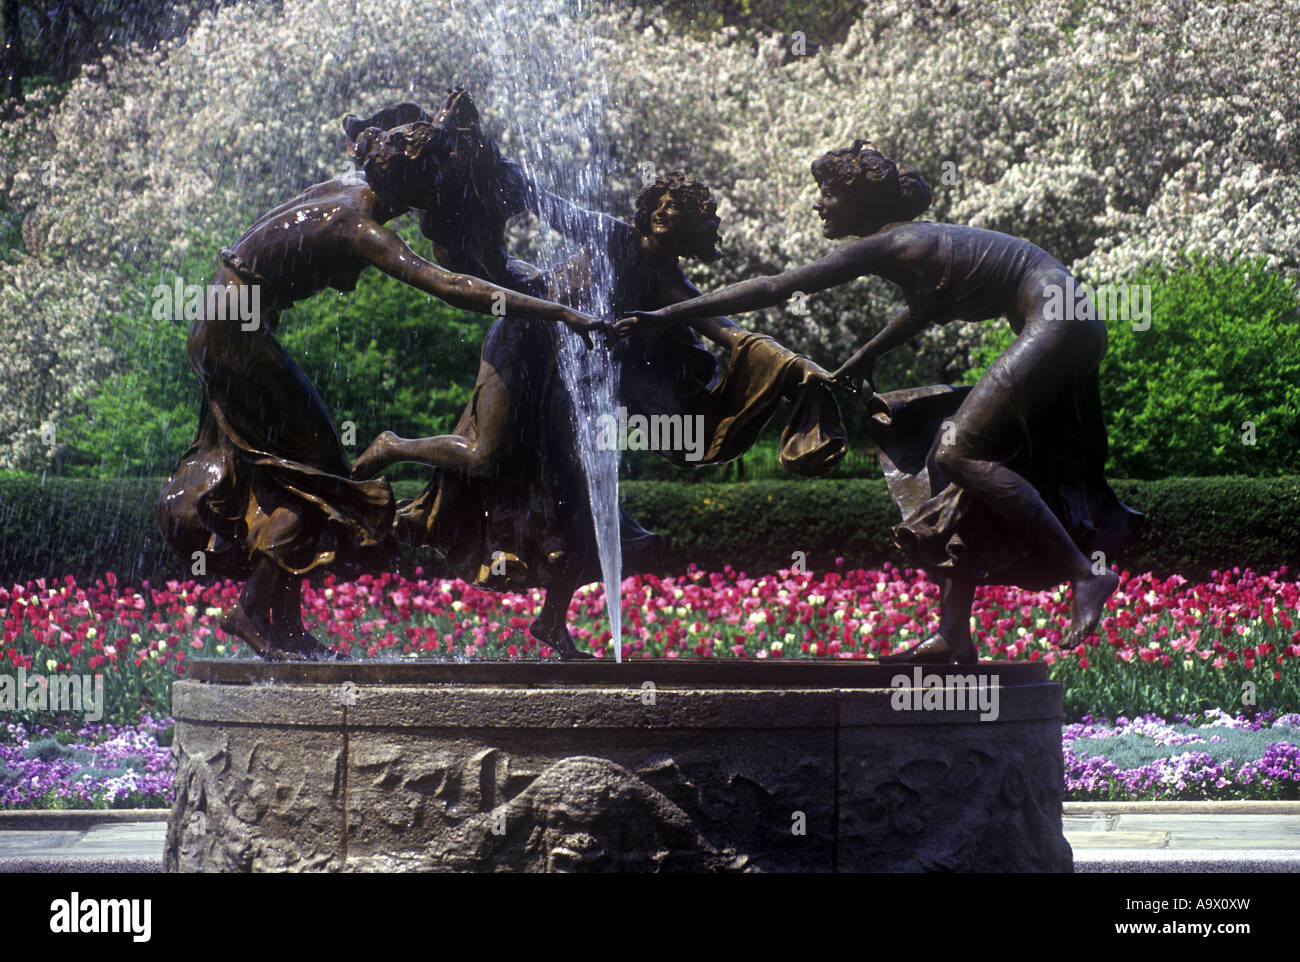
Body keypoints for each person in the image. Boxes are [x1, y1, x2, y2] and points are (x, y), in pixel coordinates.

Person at [616, 140, 1142, 663]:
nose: (818, 204)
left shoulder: (888, 244)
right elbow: (922, 311)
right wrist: (862, 357)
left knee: (959, 452)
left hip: (1057, 320)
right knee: (951, 456)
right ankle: (954, 632)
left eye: (826, 193)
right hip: (1069, 321)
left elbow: (775, 285)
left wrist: (670, 314)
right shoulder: (913, 245)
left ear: (858, 200)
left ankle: (1084, 573)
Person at [351, 99, 843, 657]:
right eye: (705, 217)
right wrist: (501, 174)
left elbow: (729, 333)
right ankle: (394, 447)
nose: (715, 226)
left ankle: (552, 621)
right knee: (485, 455)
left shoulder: (668, 282)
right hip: (524, 339)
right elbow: (548, 205)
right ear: (665, 218)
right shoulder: (614, 238)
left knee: (586, 501)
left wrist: (802, 371)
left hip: (570, 386)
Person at [157, 104, 604, 661]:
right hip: (234, 335)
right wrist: (555, 312)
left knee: (305, 472)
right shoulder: (359, 229)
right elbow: (448, 286)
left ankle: (284, 623)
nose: (435, 204)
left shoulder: (352, 183)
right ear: (413, 187)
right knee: (325, 476)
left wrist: (444, 125)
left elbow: (381, 135)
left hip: (224, 323)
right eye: (433, 188)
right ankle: (251, 612)